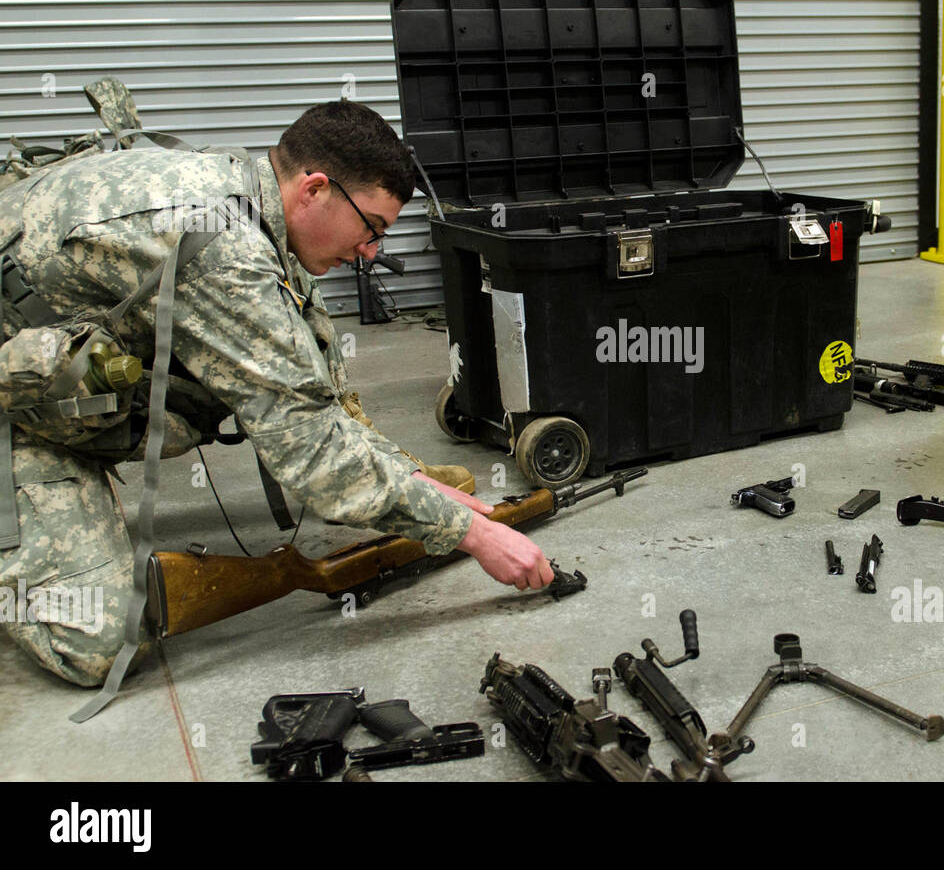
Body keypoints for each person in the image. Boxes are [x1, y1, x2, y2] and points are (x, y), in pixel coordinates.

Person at [0, 97, 553, 688]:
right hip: (20, 390)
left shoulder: (246, 194)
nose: (372, 253)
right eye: (373, 229)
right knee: (99, 640)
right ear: (315, 188)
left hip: (52, 352)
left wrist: (409, 482)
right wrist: (475, 535)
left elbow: (314, 392)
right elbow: (311, 454)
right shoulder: (223, 251)